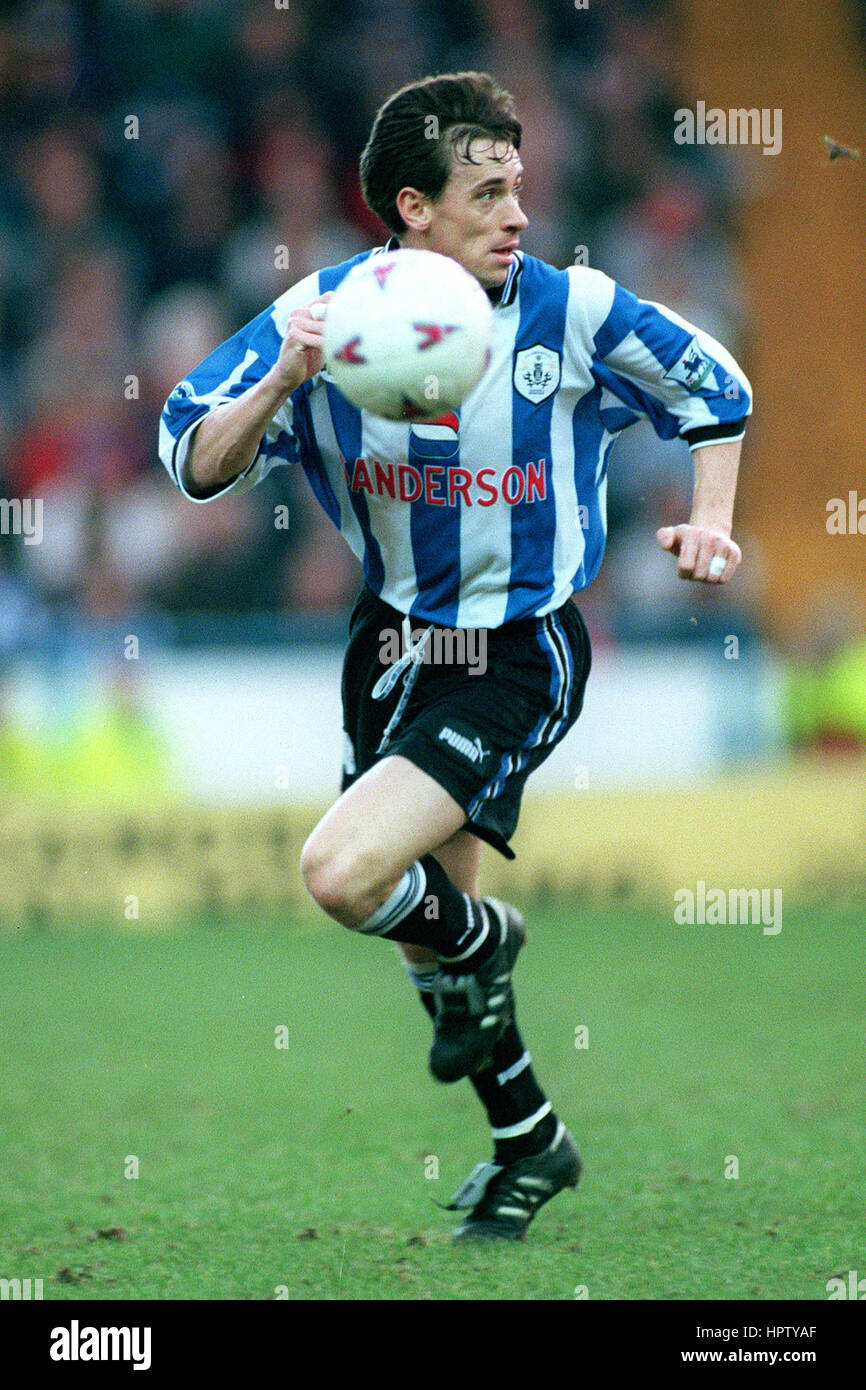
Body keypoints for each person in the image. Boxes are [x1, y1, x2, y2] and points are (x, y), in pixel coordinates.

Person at [159, 72, 751, 1241]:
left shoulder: (570, 310)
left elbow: (714, 387)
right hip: (389, 645)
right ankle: (531, 1144)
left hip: (522, 648)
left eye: (517, 186)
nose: (517, 213)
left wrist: (711, 518)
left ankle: (488, 945)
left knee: (345, 876)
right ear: (411, 210)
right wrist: (286, 376)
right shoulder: (320, 317)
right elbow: (189, 453)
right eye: (486, 193)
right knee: (435, 945)